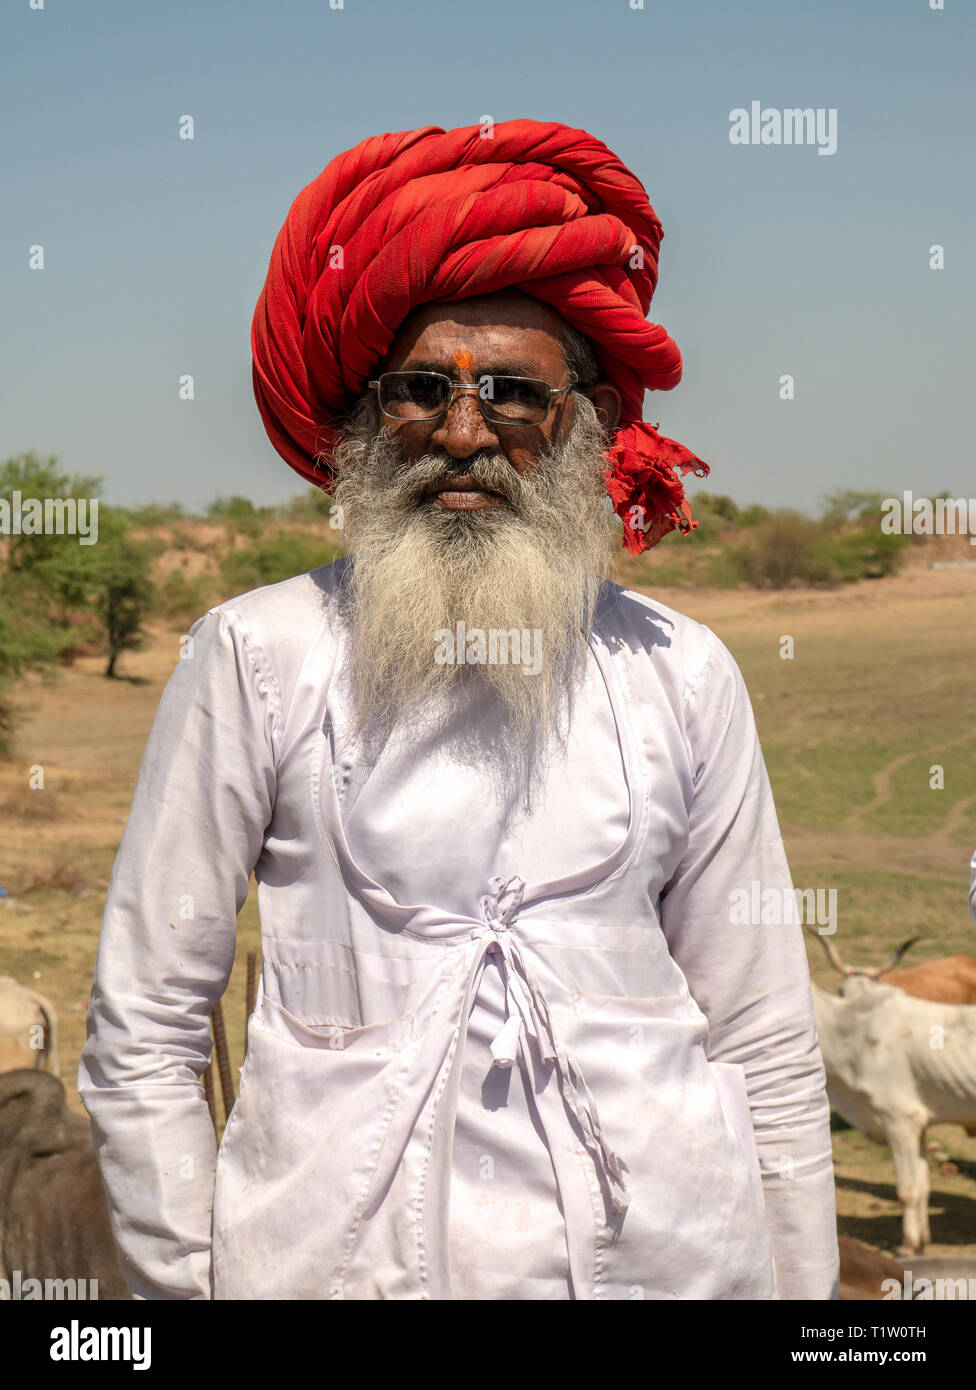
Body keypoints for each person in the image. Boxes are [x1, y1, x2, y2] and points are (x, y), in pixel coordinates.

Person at [79, 119, 839, 1301]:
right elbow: (145, 1032)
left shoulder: (680, 670)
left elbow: (765, 1035)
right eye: (423, 390)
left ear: (584, 425)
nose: (465, 433)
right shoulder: (257, 655)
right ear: (364, 420)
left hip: (671, 1272)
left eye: (516, 398)